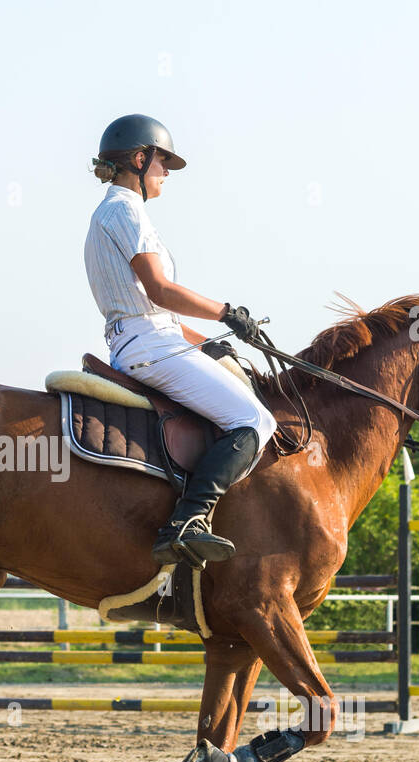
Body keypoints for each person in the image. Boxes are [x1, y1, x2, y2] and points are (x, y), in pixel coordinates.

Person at [83, 114, 278, 569]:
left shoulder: (111, 213)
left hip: (146, 338)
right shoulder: (126, 210)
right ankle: (188, 520)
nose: (166, 172)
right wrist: (227, 312)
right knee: (254, 419)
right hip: (150, 347)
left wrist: (210, 341)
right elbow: (160, 291)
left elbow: (156, 311)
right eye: (162, 162)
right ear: (139, 158)